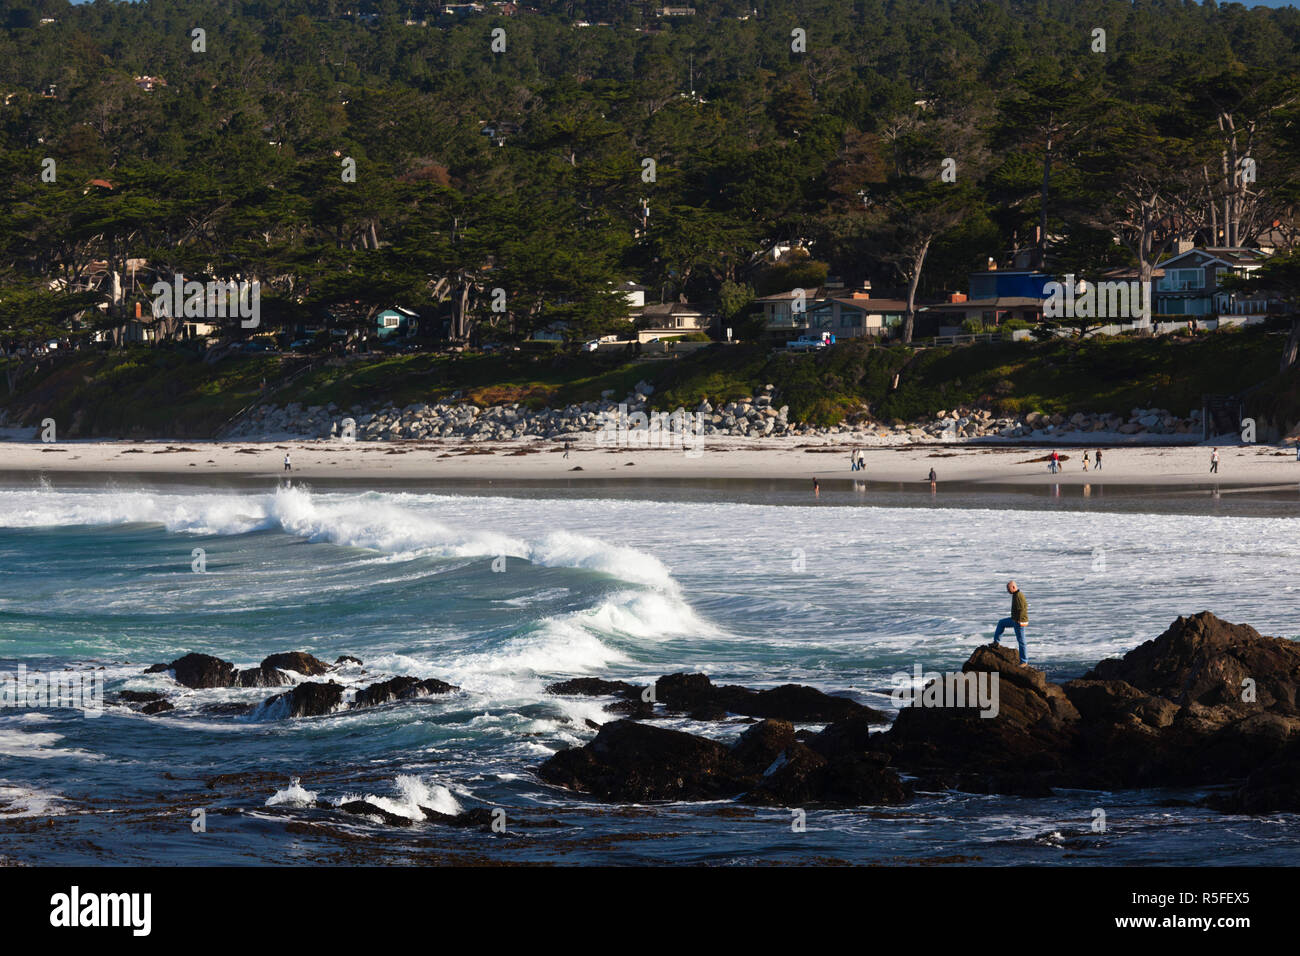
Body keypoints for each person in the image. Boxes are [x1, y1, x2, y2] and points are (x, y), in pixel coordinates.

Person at [993, 580, 1029, 665]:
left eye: (1008, 589)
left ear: (1013, 587)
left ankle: (1024, 661)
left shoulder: (1019, 596)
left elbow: (1023, 609)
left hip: (1019, 621)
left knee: (1021, 641)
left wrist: (1019, 620)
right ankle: (996, 642)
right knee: (1001, 623)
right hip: (1014, 619)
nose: (1007, 591)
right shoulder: (1015, 594)